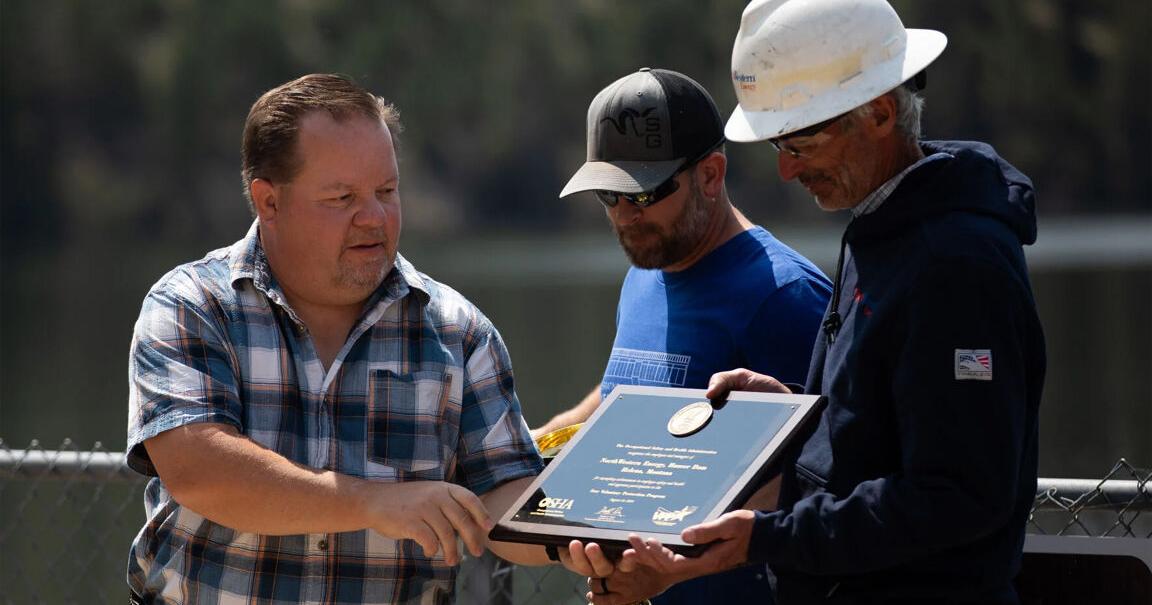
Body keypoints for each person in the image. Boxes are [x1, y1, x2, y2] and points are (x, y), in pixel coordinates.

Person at [564, 1, 1047, 604]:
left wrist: (766, 538)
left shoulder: (956, 263)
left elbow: (960, 494)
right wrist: (793, 412)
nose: (787, 171)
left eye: (801, 142)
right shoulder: (885, 232)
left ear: (880, 112)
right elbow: (887, 435)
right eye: (778, 145)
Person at [125, 73, 549, 604]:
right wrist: (373, 503)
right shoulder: (192, 305)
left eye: (387, 191)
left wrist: (596, 535)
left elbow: (505, 493)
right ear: (268, 202)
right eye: (342, 197)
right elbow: (200, 471)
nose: (373, 217)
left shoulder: (458, 332)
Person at [539, 67, 831, 604]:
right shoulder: (645, 272)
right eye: (608, 194)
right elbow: (629, 390)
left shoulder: (786, 297)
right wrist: (528, 447)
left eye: (643, 194)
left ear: (711, 175)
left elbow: (827, 482)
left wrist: (677, 570)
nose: (624, 216)